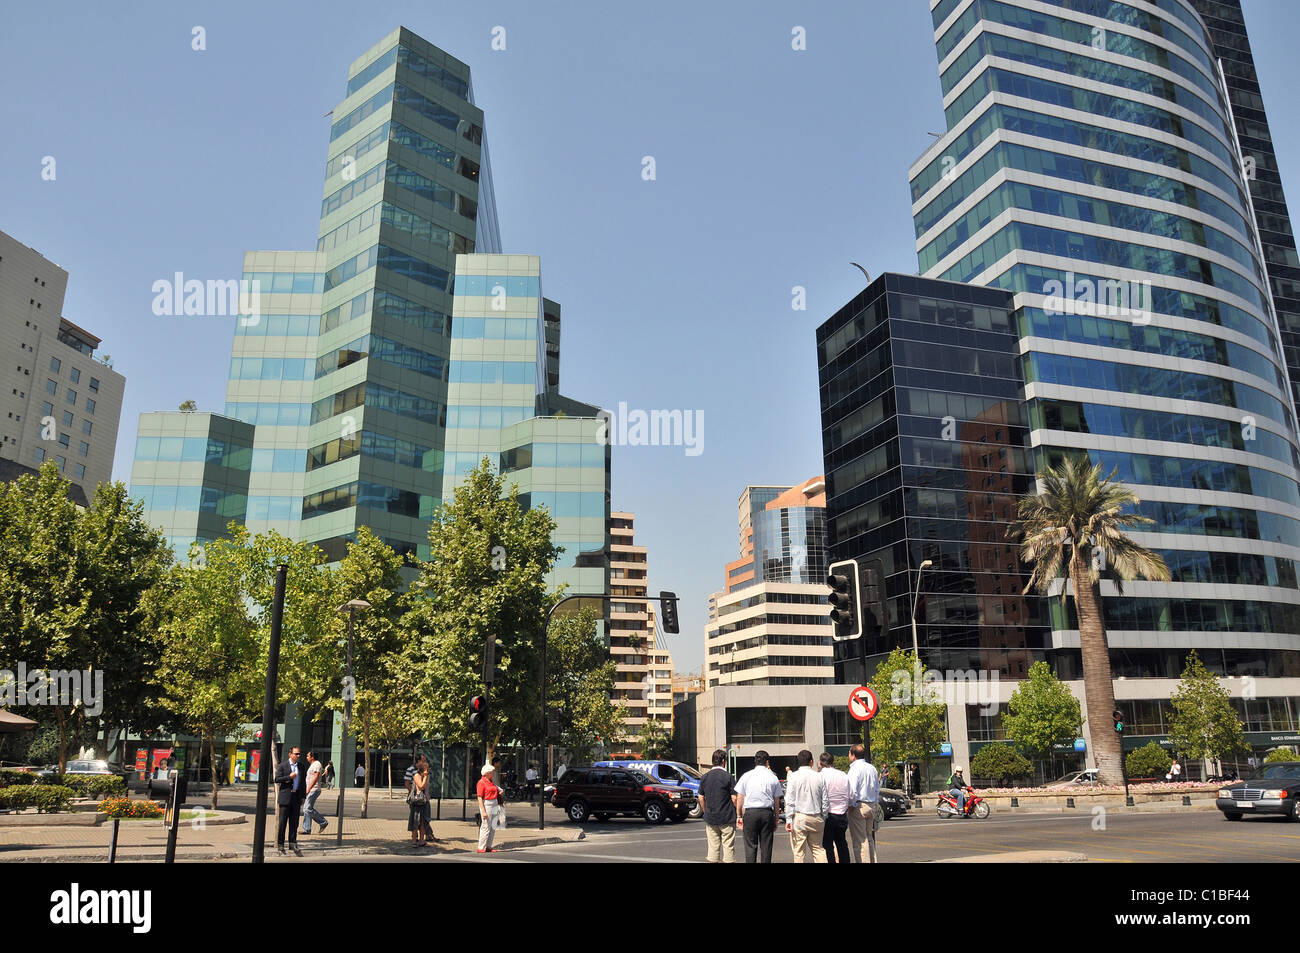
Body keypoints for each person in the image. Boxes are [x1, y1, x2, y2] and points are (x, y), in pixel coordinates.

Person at [733, 750, 784, 863]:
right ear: (767, 762)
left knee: (750, 846)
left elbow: (740, 797)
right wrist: (776, 818)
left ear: (755, 761)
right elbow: (777, 801)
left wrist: (739, 815)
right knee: (766, 847)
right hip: (767, 813)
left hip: (750, 813)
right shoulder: (773, 777)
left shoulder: (746, 776)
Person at [784, 749, 829, 863]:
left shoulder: (793, 777)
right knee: (818, 848)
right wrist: (824, 815)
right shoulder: (819, 776)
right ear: (811, 762)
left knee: (799, 850)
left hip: (800, 816)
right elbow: (825, 799)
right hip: (816, 815)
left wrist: (789, 819)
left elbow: (789, 800)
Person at [698, 748, 737, 863]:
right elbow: (734, 798)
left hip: (711, 817)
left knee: (713, 848)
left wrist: (705, 811)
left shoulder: (705, 777)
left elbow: (700, 797)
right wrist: (738, 813)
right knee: (728, 846)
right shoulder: (728, 777)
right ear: (723, 761)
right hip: (727, 817)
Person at [846, 743, 881, 863]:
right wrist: (875, 803)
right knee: (869, 838)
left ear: (853, 755)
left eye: (849, 754)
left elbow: (852, 790)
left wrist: (851, 805)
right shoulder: (872, 768)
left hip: (859, 806)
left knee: (860, 841)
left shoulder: (854, 768)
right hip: (871, 805)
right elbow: (877, 789)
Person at [818, 752, 851, 863]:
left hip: (828, 814)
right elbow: (849, 793)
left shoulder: (820, 776)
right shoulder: (842, 774)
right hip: (842, 812)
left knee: (827, 845)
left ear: (820, 763)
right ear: (833, 761)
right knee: (842, 843)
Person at [274, 746, 306, 855]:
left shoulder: (301, 767)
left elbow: (303, 783)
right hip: (285, 797)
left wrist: (303, 796)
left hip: (296, 797)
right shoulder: (283, 765)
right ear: (290, 754)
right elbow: (277, 779)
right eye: (296, 754)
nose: (298, 756)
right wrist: (289, 777)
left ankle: (293, 843)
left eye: (299, 754)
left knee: (294, 822)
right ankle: (280, 844)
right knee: (283, 822)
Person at [299, 750, 329, 835]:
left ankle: (323, 822)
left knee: (307, 808)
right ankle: (307, 829)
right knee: (307, 809)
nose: (307, 757)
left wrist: (308, 788)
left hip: (314, 789)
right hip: (311, 789)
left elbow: (315, 777)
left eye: (308, 756)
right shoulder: (313, 764)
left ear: (312, 757)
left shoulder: (316, 764)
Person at [477, 763, 503, 853]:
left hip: (494, 803)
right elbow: (479, 797)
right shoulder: (481, 782)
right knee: (486, 826)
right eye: (492, 772)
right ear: (487, 773)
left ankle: (488, 845)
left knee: (493, 826)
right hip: (487, 804)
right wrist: (483, 811)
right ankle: (481, 846)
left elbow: (496, 789)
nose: (493, 773)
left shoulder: (491, 782)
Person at [408, 759, 431, 847]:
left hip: (425, 801)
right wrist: (425, 777)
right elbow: (421, 786)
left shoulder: (427, 776)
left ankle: (422, 840)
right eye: (427, 769)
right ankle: (414, 840)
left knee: (423, 822)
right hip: (417, 801)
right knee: (415, 821)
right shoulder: (416, 775)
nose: (428, 770)